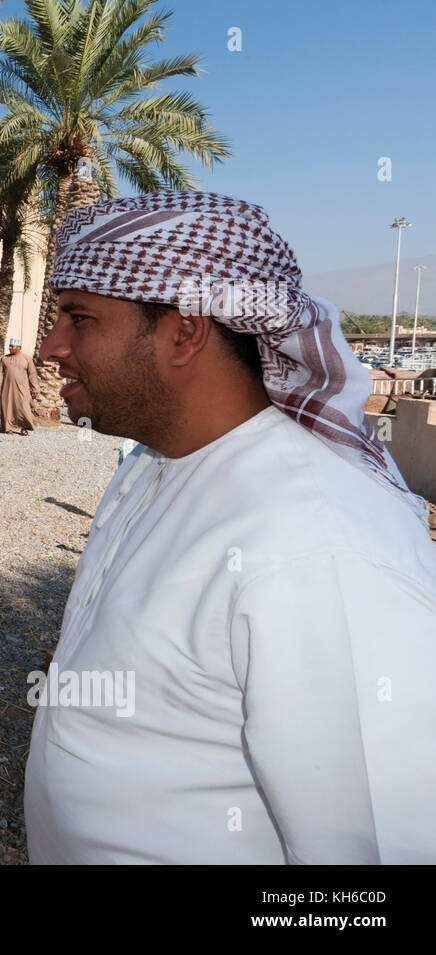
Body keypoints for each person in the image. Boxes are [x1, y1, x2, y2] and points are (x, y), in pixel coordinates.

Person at [24, 190, 436, 865]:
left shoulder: (317, 543)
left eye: (80, 317)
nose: (52, 346)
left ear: (185, 330)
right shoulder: (154, 462)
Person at [0, 337, 39, 435]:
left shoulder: (27, 358)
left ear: (19, 347)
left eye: (12, 346)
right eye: (10, 346)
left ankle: (24, 427)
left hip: (22, 388)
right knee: (7, 407)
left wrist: (34, 388)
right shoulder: (4, 358)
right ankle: (8, 428)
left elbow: (32, 374)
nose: (10, 348)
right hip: (7, 388)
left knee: (23, 408)